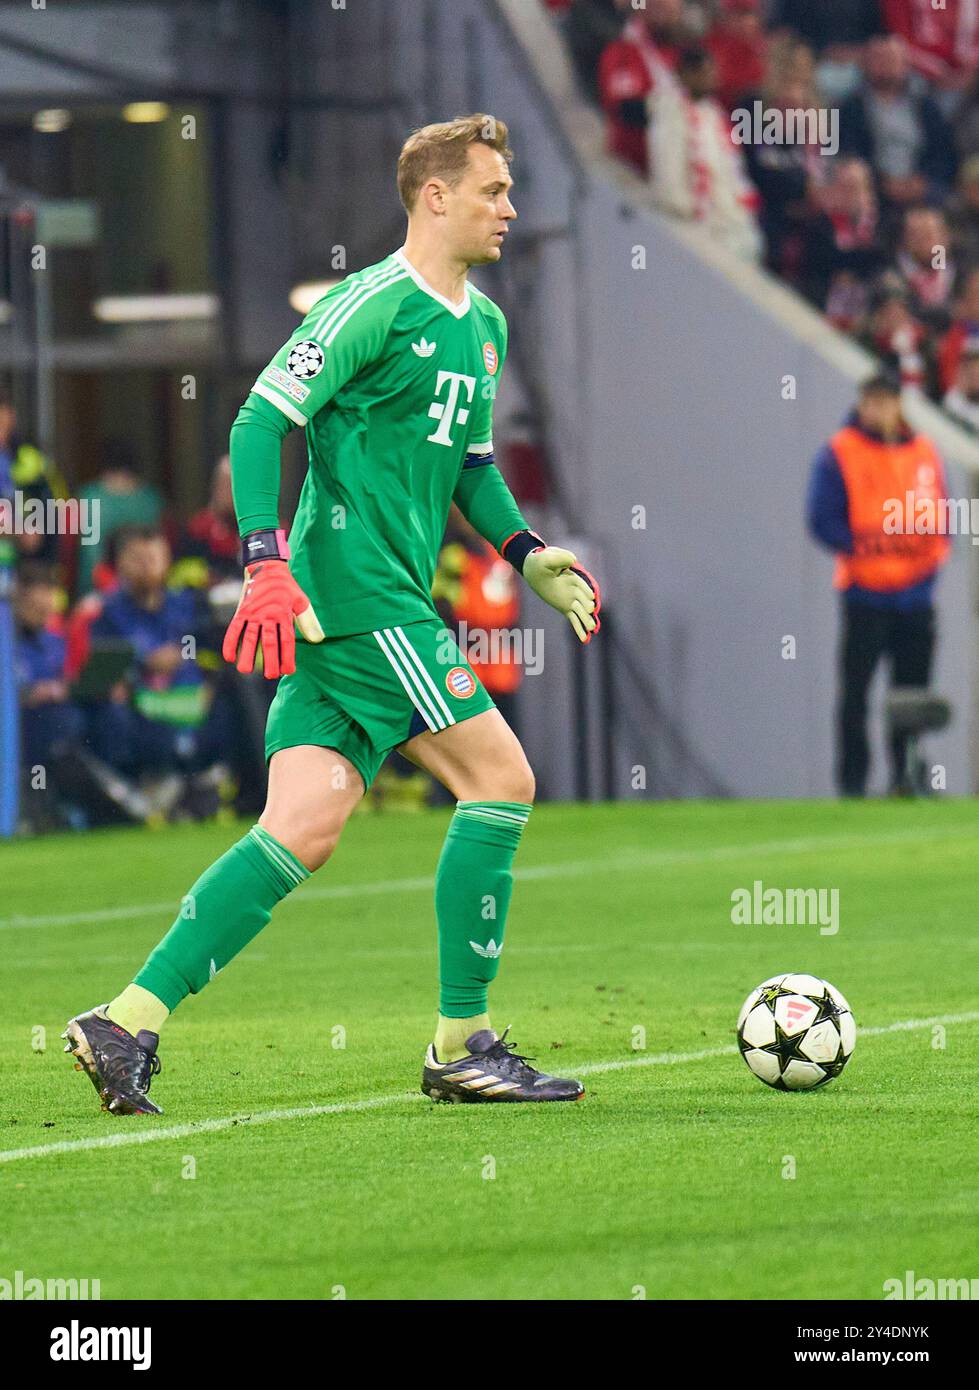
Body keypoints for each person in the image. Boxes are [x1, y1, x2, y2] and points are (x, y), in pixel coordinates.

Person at [62, 113, 602, 1115]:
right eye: (491, 189)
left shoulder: (481, 326)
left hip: (370, 598)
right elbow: (261, 417)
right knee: (501, 778)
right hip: (358, 594)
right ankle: (461, 1040)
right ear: (434, 196)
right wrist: (264, 564)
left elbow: (470, 467)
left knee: (301, 825)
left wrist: (527, 553)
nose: (509, 207)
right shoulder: (370, 304)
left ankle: (125, 1018)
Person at [806, 373, 950, 796]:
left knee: (911, 696)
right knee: (856, 694)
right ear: (862, 404)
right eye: (871, 402)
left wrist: (923, 564)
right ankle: (853, 783)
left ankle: (907, 775)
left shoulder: (924, 452)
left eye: (885, 402)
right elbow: (822, 518)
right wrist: (863, 549)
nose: (879, 410)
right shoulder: (840, 453)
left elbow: (942, 517)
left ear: (898, 405)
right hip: (865, 595)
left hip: (914, 597)